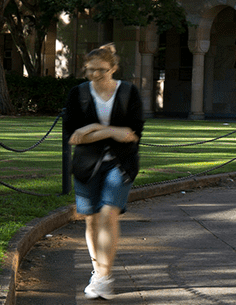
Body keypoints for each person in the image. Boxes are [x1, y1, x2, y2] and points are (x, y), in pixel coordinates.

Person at [65, 45, 144, 300]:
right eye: (90, 70)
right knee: (91, 218)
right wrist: (109, 129)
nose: (96, 75)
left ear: (113, 68)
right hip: (88, 165)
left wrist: (93, 130)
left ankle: (104, 277)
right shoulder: (78, 94)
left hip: (121, 163)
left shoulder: (128, 92)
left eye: (101, 70)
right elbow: (73, 137)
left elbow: (132, 134)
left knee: (109, 214)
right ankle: (97, 272)